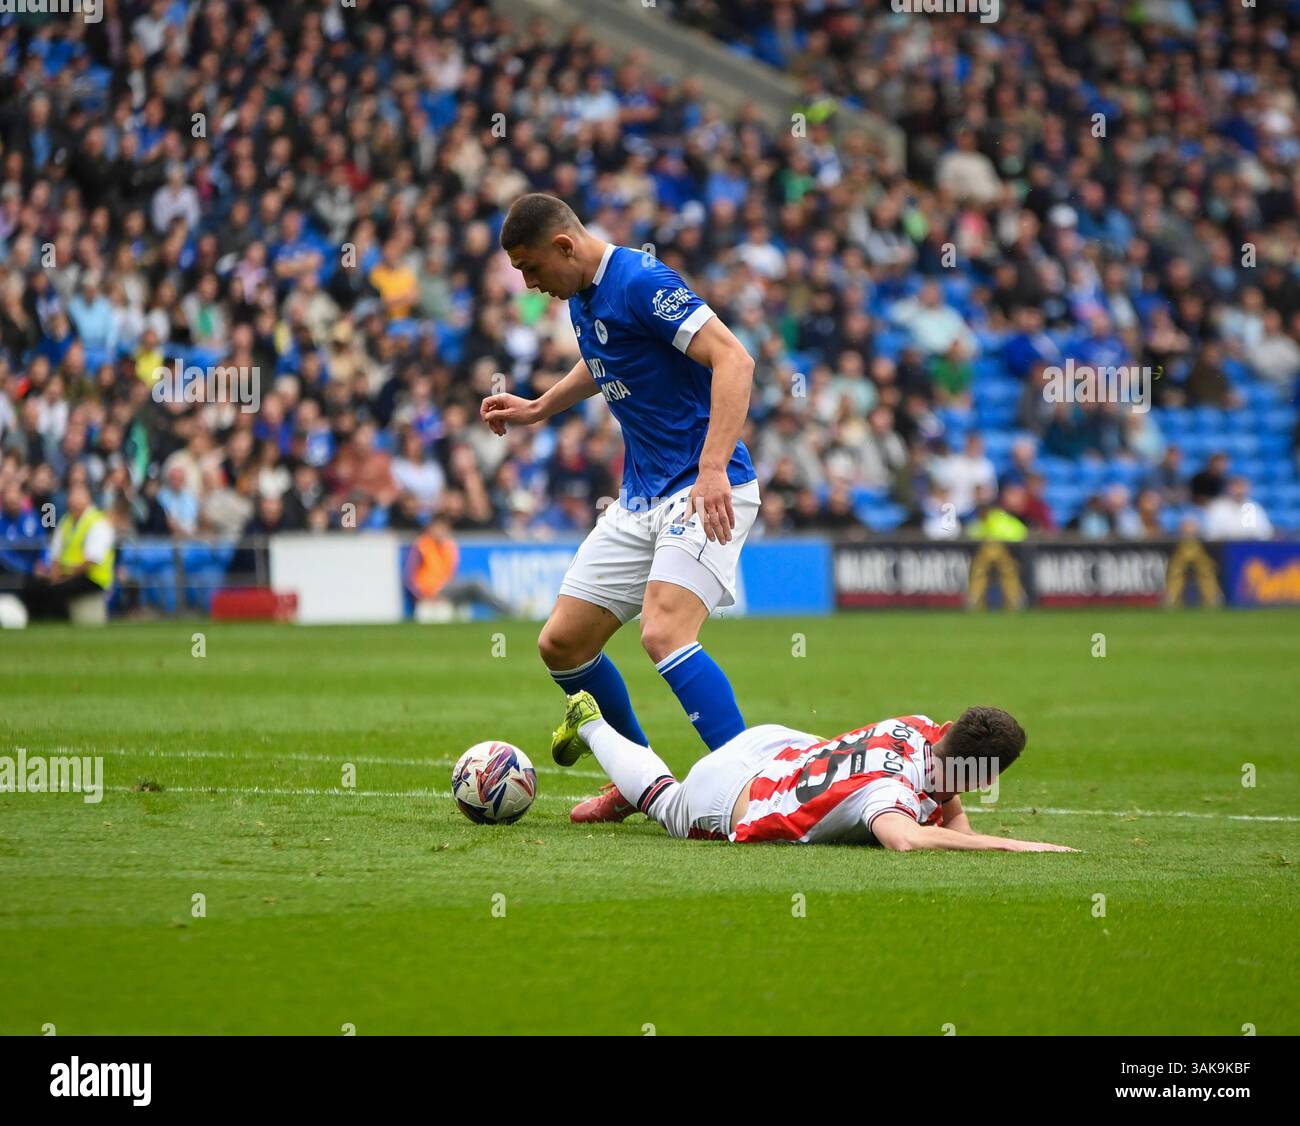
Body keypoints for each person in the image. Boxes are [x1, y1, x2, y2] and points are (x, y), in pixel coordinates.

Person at [480, 193, 760, 823]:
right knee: (563, 643)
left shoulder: (639, 278)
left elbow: (734, 358)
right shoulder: (582, 295)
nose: (529, 284)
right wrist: (537, 409)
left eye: (530, 268)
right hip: (641, 496)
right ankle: (639, 782)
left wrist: (712, 467)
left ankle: (752, 791)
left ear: (564, 246)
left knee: (662, 632)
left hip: (704, 484)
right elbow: (604, 359)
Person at [550, 691, 1077, 852]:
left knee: (833, 756)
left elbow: (945, 791)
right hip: (732, 793)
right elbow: (905, 840)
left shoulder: (922, 728)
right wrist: (1016, 847)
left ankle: (635, 791)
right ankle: (591, 724)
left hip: (775, 745)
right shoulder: (888, 798)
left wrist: (961, 829)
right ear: (984, 777)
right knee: (667, 802)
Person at [20, 481, 115, 620]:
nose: (73, 502)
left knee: (58, 591)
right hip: (67, 575)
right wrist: (54, 575)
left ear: (88, 499)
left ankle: (55, 620)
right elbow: (55, 554)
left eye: (78, 498)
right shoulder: (65, 522)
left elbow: (90, 562)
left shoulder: (98, 523)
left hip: (92, 579)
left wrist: (63, 578)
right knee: (33, 585)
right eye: (71, 498)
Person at [404, 515, 512, 615]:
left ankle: (503, 610)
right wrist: (423, 596)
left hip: (445, 588)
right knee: (476, 582)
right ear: (430, 528)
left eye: (443, 528)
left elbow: (449, 573)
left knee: (474, 591)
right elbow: (409, 578)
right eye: (437, 528)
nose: (440, 532)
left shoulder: (448, 546)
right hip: (431, 591)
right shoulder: (422, 545)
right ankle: (510, 609)